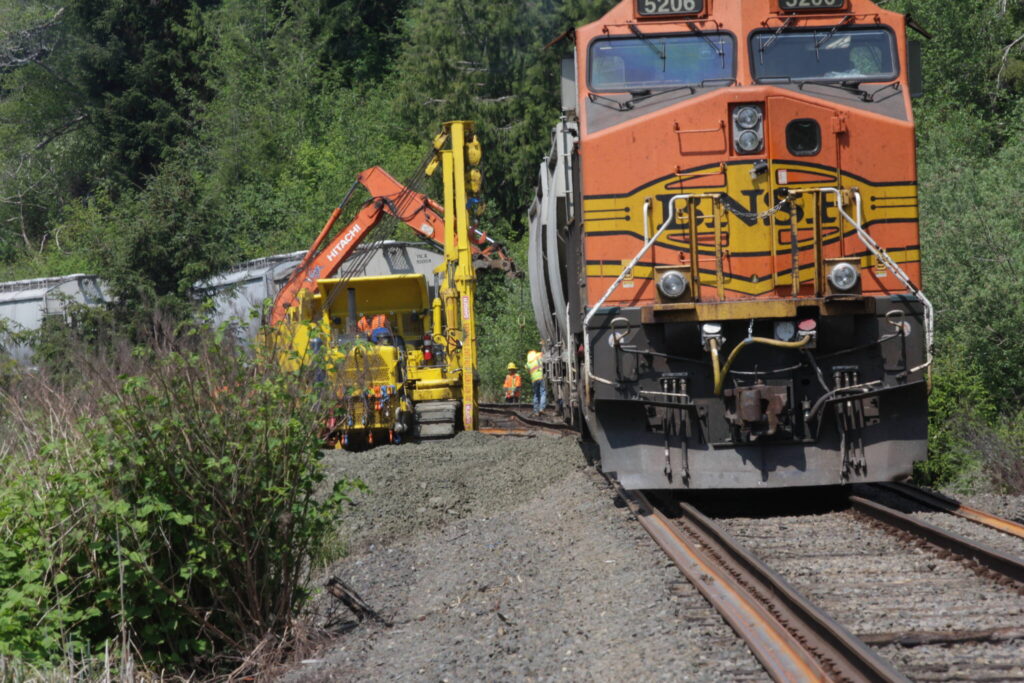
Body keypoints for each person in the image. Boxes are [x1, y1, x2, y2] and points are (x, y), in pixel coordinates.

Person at [525, 349, 546, 415]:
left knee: (536, 395)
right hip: (541, 377)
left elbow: (528, 371)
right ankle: (541, 408)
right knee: (543, 393)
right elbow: (543, 353)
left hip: (534, 380)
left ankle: (536, 411)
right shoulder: (538, 358)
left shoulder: (528, 364)